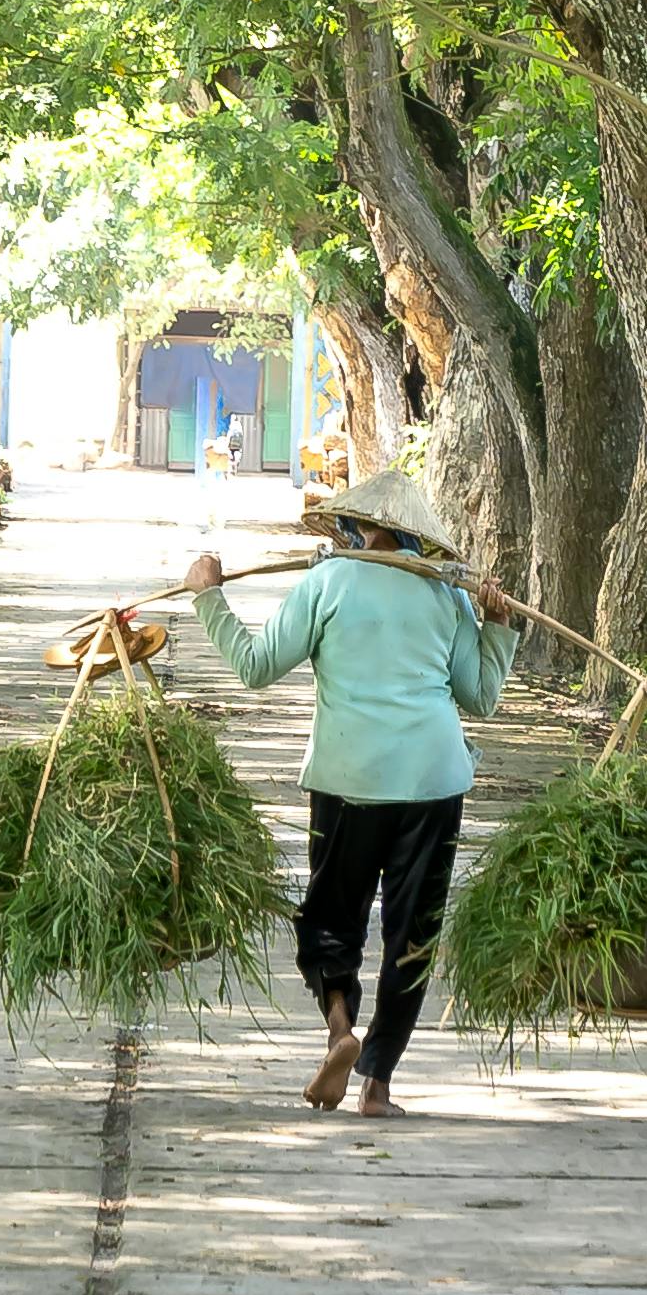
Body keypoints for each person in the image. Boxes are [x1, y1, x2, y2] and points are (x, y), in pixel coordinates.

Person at [179, 466, 522, 1116]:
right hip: (432, 783)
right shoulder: (446, 594)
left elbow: (255, 669)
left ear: (356, 529)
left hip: (346, 783)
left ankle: (340, 1029)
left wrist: (208, 597)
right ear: (417, 537)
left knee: (331, 921)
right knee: (412, 935)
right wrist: (496, 628)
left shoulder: (328, 580)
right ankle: (378, 1085)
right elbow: (479, 698)